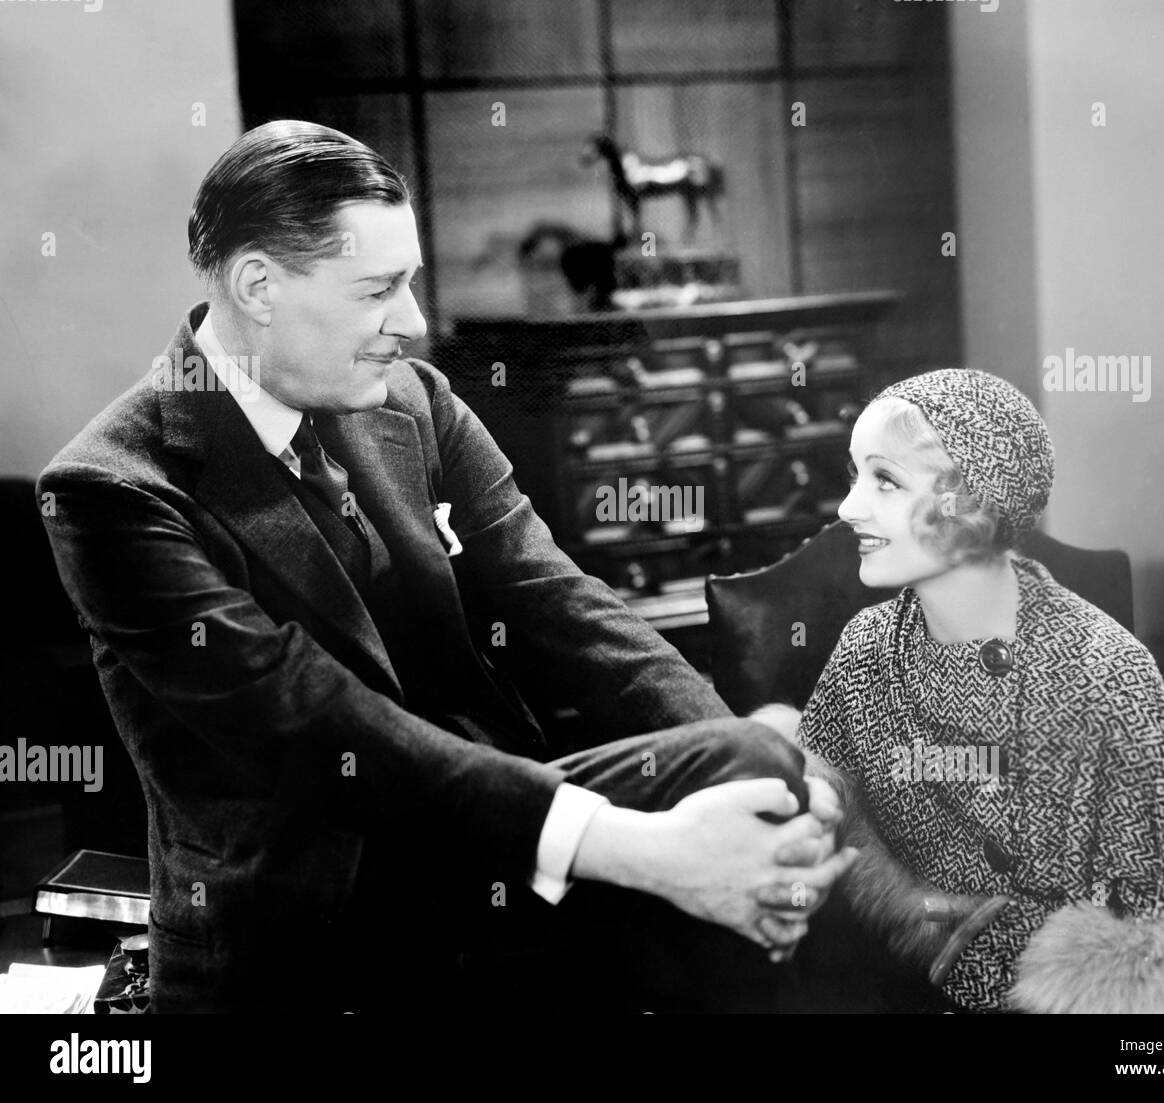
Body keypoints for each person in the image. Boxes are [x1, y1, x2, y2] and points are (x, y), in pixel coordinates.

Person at [38, 120, 856, 1013]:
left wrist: (763, 768)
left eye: (413, 282)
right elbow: (313, 721)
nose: (415, 323)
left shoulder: (416, 401)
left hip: (499, 840)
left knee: (753, 771)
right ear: (258, 285)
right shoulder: (113, 489)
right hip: (323, 915)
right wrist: (637, 845)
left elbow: (560, 602)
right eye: (380, 289)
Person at [794, 368, 1164, 1011]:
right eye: (854, 476)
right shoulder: (866, 649)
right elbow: (810, 813)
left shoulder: (1106, 676)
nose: (849, 507)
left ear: (975, 503)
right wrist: (899, 902)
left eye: (884, 479)